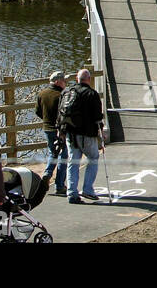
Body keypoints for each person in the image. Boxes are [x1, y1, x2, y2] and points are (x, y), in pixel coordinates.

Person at [58, 68, 105, 204]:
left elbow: (60, 113)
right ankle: (88, 190)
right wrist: (100, 134)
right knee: (93, 158)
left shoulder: (66, 92)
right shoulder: (91, 94)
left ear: (76, 79)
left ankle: (72, 193)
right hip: (87, 134)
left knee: (73, 162)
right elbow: (97, 117)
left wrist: (60, 131)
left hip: (70, 133)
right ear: (88, 79)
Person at [35, 71, 68, 195]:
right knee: (63, 155)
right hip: (60, 129)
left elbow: (38, 111)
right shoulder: (61, 95)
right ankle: (59, 185)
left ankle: (47, 174)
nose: (65, 83)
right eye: (64, 81)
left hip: (47, 128)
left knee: (52, 152)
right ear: (57, 81)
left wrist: (46, 120)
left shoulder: (41, 94)